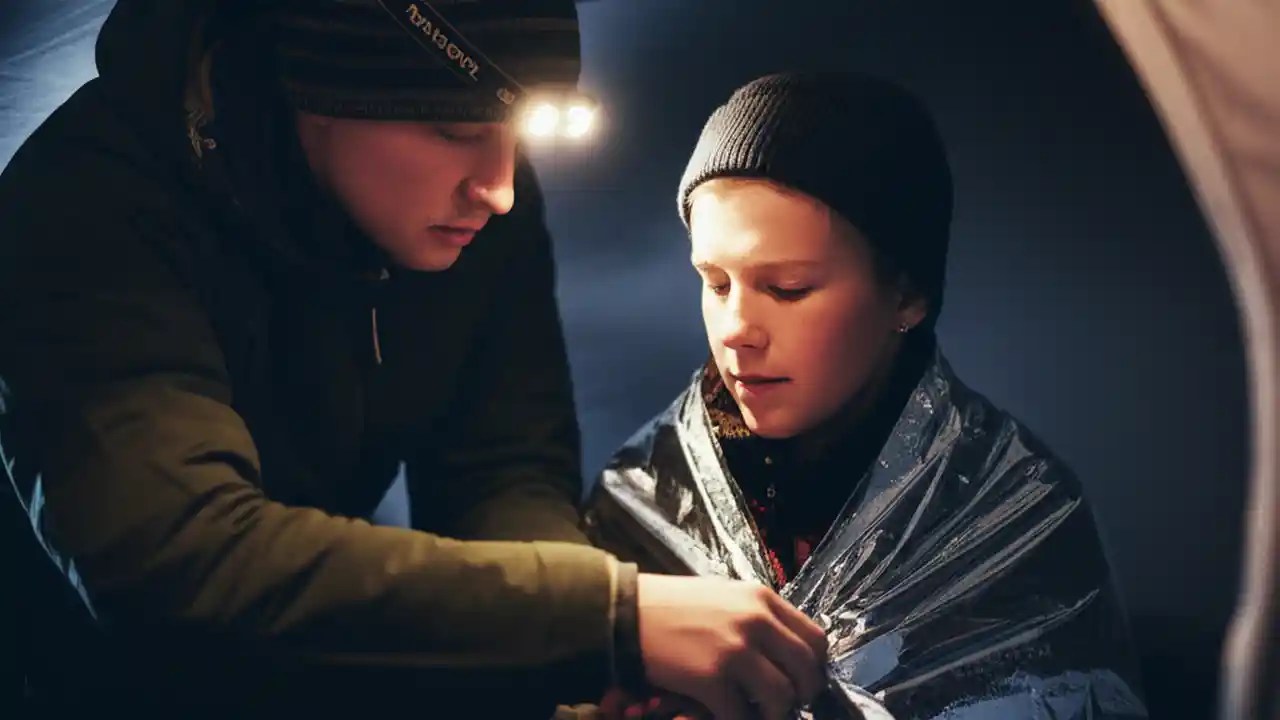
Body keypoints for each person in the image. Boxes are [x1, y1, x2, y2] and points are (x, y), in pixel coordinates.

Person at [0, 2, 827, 717]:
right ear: (316, 89)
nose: (498, 187)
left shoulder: (468, 206)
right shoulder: (82, 208)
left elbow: (501, 470)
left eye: (519, 133)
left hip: (322, 668)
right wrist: (607, 619)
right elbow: (174, 569)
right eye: (458, 129)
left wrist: (582, 678)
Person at [584, 71, 1151, 719]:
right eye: (715, 283)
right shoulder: (642, 494)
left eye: (788, 288)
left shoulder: (1016, 514)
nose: (737, 329)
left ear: (906, 296)